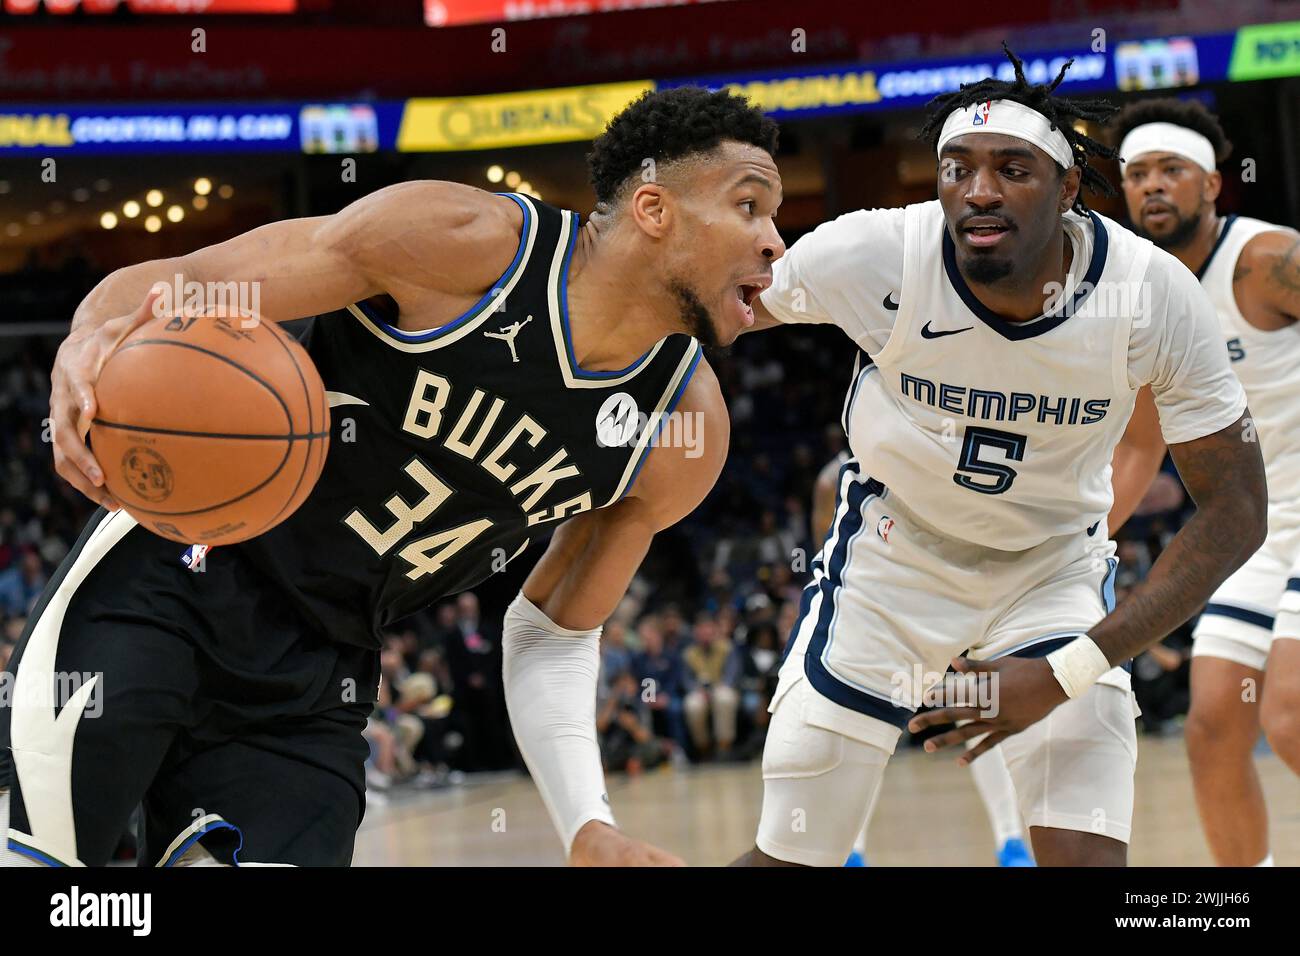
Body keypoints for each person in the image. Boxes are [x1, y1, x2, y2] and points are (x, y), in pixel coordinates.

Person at [0, 86, 784, 867]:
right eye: (750, 207)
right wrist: (89, 340)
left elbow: (552, 633)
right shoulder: (463, 244)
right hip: (168, 581)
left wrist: (587, 822)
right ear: (654, 209)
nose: (775, 242)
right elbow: (174, 283)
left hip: (318, 673)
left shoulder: (682, 435)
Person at [732, 47, 1265, 867]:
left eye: (1012, 168)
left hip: (1051, 570)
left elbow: (1236, 511)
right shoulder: (875, 254)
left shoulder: (1151, 294)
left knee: (1087, 858)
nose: (978, 190)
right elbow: (714, 306)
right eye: (958, 169)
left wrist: (1066, 671)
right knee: (794, 855)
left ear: (1069, 188)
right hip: (890, 560)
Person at [1108, 97, 1300, 867]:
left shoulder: (1266, 259)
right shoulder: (1147, 304)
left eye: (1171, 170)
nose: (1153, 186)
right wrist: (1076, 540)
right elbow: (1136, 449)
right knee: (1214, 729)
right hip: (1254, 532)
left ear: (1214, 184)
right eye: (1137, 174)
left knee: (1289, 715)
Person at [812, 453, 1034, 867]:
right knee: (864, 728)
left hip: (959, 596)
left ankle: (1011, 844)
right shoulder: (834, 479)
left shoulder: (945, 452)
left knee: (980, 711)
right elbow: (824, 551)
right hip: (881, 604)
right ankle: (850, 851)